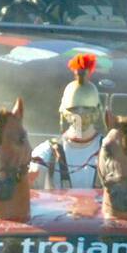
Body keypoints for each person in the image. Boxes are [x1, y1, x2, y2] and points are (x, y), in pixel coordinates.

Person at [31, 54, 104, 190]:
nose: (80, 114)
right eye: (75, 109)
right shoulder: (46, 154)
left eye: (86, 109)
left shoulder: (112, 153)